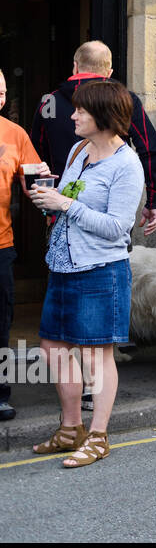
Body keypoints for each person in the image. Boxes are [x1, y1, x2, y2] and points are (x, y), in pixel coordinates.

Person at [26, 81, 144, 466]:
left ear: (104, 117)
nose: (72, 115)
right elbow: (71, 196)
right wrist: (50, 196)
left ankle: (98, 435)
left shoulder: (127, 165)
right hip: (63, 263)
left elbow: (117, 227)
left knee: (97, 355)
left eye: (80, 111)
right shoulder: (80, 150)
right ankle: (70, 428)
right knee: (53, 347)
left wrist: (65, 203)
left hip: (100, 269)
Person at [30, 40, 156, 237]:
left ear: (75, 66)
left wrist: (46, 197)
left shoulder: (50, 101)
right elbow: (150, 148)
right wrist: (154, 199)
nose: (74, 116)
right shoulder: (125, 100)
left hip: (62, 206)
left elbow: (36, 156)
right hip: (105, 203)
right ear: (109, 73)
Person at [0, 70, 43, 422]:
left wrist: (54, 197)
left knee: (1, 322)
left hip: (1, 245)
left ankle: (0, 395)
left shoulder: (15, 135)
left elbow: (33, 182)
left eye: (1, 92)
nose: (0, 99)